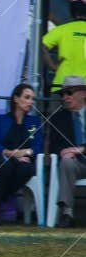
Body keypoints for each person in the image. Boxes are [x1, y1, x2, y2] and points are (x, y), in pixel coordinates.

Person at [0, 82, 44, 223]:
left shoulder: (34, 122)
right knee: (6, 167)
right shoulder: (0, 119)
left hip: (22, 160)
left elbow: (38, 146)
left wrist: (25, 153)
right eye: (27, 97)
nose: (30, 102)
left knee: (26, 170)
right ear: (16, 99)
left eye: (32, 99)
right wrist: (12, 154)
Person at [47, 75, 86, 226]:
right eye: (63, 94)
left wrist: (80, 149)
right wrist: (63, 151)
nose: (65, 97)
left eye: (69, 93)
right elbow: (53, 147)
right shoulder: (58, 118)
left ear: (83, 93)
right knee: (66, 162)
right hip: (75, 164)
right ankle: (67, 213)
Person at [43, 0, 86, 95]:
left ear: (71, 14)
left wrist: (53, 67)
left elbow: (42, 47)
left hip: (62, 84)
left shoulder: (63, 29)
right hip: (84, 87)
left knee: (58, 110)